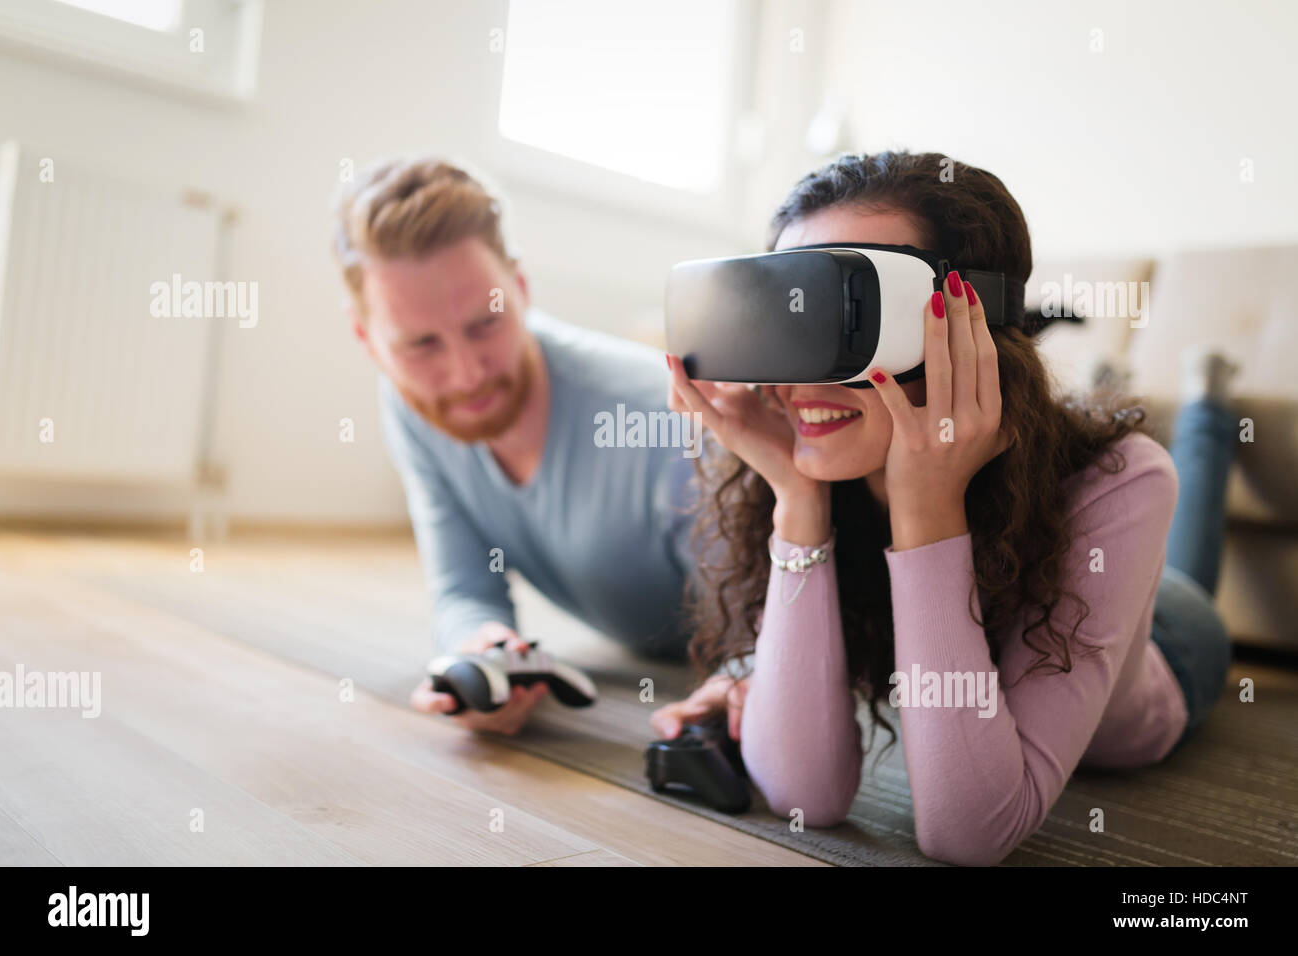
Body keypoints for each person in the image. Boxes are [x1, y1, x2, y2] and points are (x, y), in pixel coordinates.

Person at [651, 151, 1234, 866]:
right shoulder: (824, 462)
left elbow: (970, 834)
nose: (802, 380)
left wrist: (928, 508)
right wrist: (797, 498)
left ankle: (1209, 401)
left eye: (845, 317)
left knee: (1190, 566)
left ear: (965, 326)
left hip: (1169, 656)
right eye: (788, 313)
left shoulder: (1119, 478)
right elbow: (808, 801)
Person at [333, 157, 700, 736]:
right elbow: (463, 588)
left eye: (485, 324)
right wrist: (483, 644)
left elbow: (768, 638)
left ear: (521, 289)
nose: (465, 374)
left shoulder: (666, 418)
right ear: (369, 342)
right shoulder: (410, 403)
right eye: (421, 345)